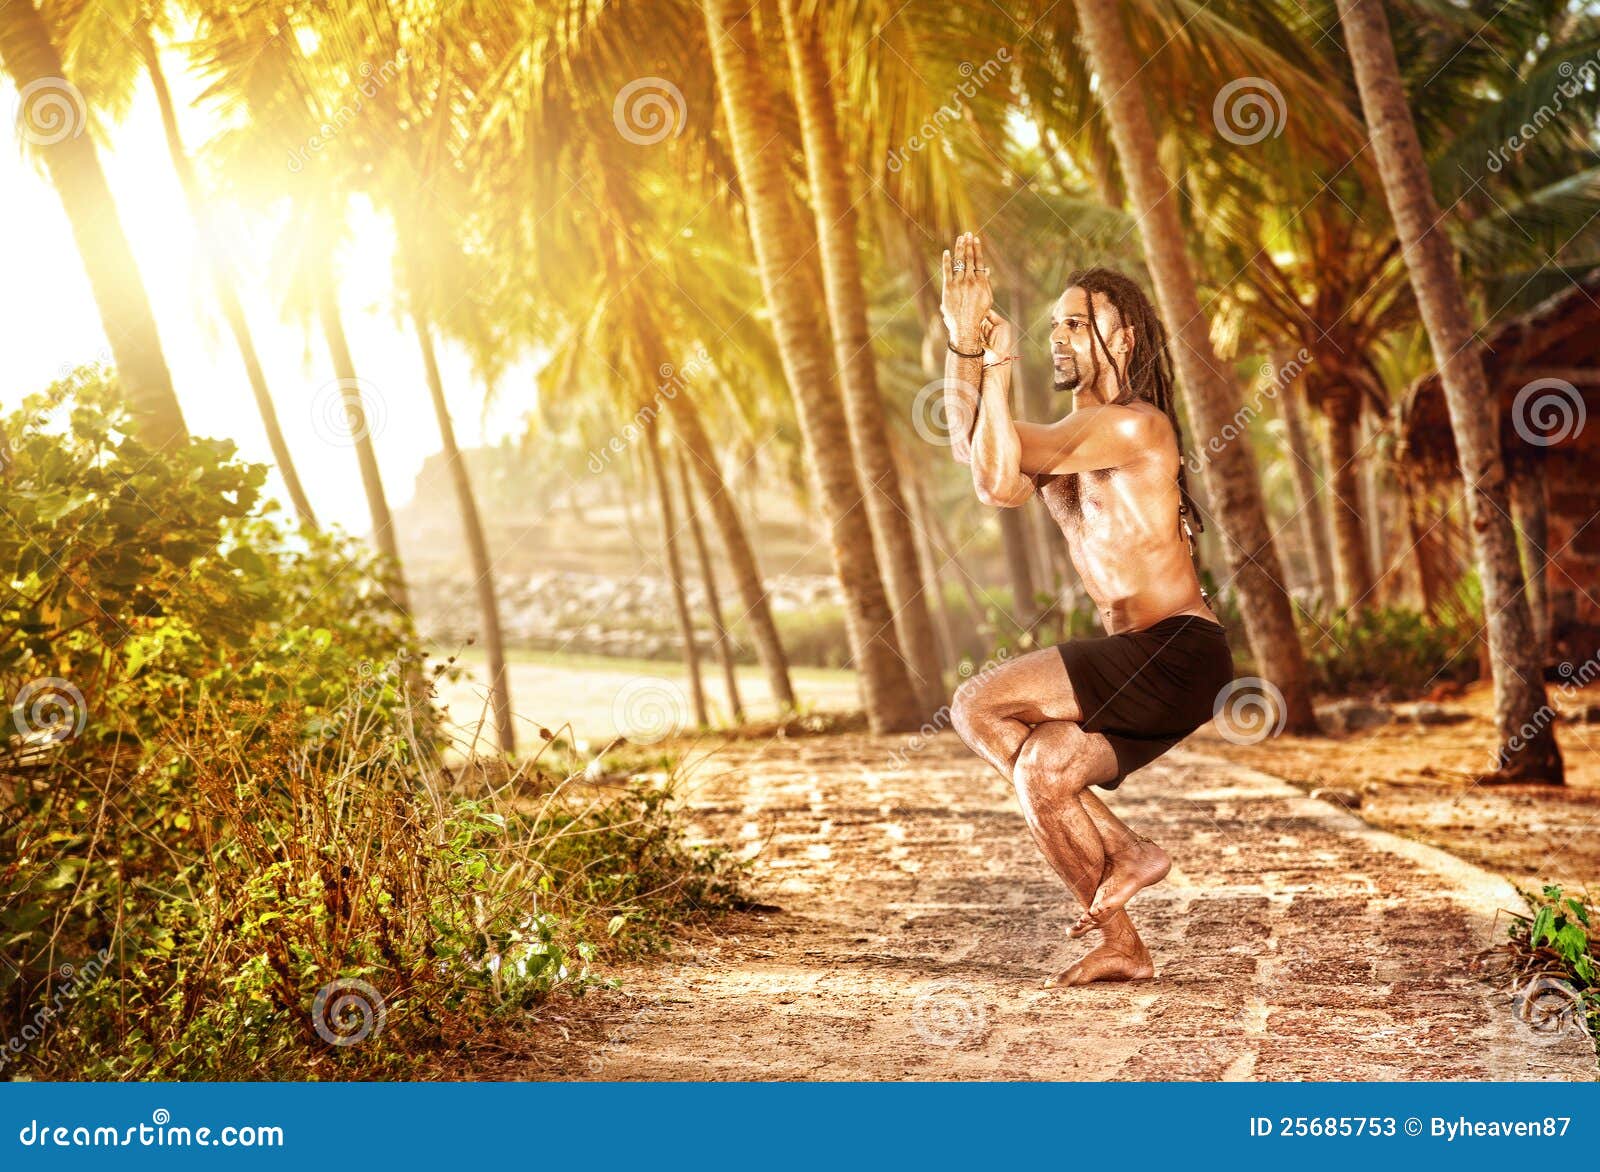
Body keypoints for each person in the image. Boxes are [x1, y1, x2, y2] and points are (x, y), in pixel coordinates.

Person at [939, 232, 1235, 987]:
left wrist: (994, 365)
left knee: (977, 704)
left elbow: (998, 454)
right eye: (1053, 326)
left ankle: (1132, 853)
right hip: (1146, 661)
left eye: (1079, 322)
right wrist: (962, 343)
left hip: (1178, 650)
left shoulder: (1133, 424)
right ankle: (1124, 942)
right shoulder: (1069, 436)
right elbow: (986, 470)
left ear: (1123, 336)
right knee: (1042, 771)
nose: (1060, 337)